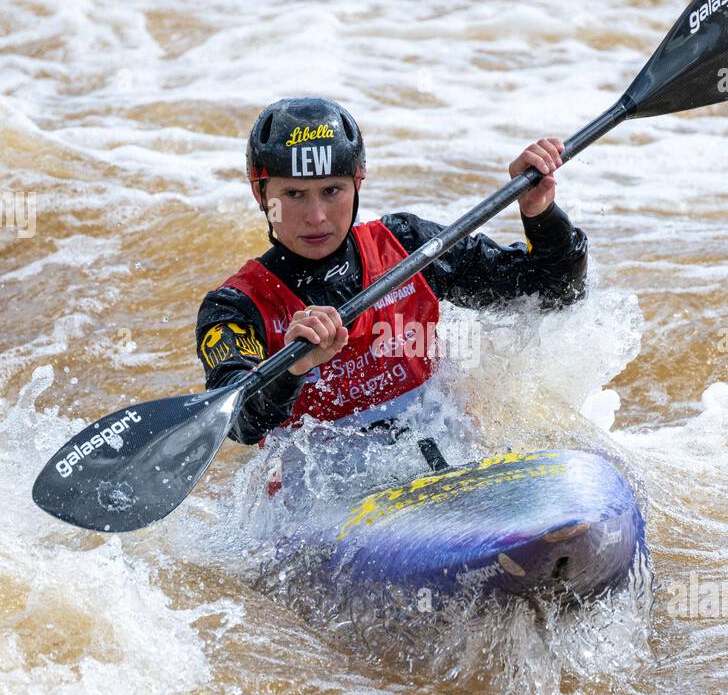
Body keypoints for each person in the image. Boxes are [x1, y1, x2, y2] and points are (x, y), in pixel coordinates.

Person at [194, 97, 587, 497]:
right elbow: (239, 422)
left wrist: (540, 212)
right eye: (294, 194)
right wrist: (290, 368)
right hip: (320, 504)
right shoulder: (235, 307)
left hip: (442, 459)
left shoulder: (408, 248)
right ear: (261, 195)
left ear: (357, 183)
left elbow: (553, 290)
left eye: (332, 190)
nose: (316, 216)